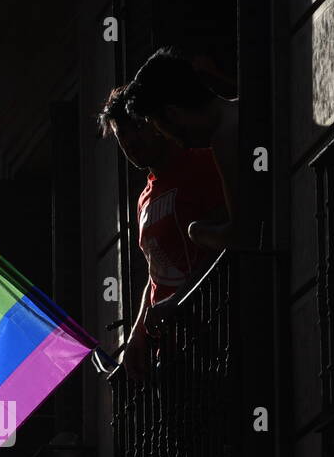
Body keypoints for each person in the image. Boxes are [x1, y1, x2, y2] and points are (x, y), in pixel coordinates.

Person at [98, 83, 226, 378]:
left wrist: (178, 299)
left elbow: (223, 243)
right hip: (169, 354)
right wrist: (136, 336)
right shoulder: (144, 198)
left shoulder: (202, 165)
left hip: (211, 336)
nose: (130, 141)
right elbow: (156, 274)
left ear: (156, 121)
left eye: (136, 128)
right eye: (122, 136)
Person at [128, 47, 239, 257]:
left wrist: (196, 232)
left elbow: (241, 234)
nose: (178, 142)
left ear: (172, 114)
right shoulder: (240, 111)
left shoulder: (224, 138)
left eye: (162, 128)